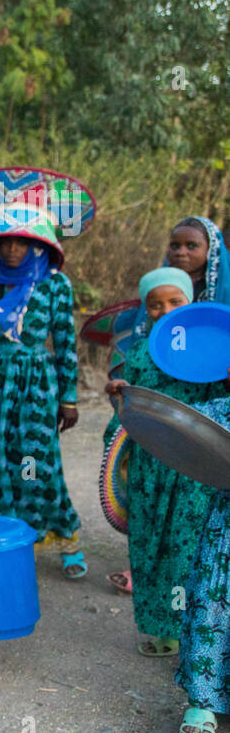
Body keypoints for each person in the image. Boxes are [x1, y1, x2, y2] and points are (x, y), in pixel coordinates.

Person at [0, 209, 84, 578]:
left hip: (35, 384)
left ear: (37, 245)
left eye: (21, 241)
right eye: (4, 241)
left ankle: (61, 536)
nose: (11, 249)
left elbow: (66, 343)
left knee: (36, 461)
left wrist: (68, 398)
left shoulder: (55, 285)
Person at [103, 268, 228, 658]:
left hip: (194, 466)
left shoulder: (214, 348)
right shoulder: (140, 354)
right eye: (155, 304)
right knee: (150, 544)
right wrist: (119, 394)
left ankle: (190, 631)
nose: (164, 310)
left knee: (187, 546)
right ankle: (162, 628)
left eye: (176, 302)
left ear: (192, 303)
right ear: (145, 308)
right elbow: (131, 411)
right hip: (150, 465)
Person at [173, 373, 230, 733]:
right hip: (224, 530)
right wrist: (129, 404)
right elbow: (180, 422)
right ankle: (203, 700)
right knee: (212, 606)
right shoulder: (223, 410)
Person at [163, 216, 229, 307]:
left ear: (210, 250)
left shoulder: (223, 290)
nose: (181, 252)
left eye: (191, 246)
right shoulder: (158, 286)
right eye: (175, 246)